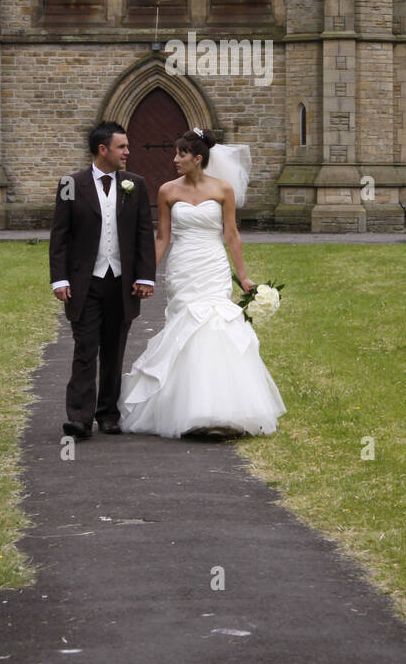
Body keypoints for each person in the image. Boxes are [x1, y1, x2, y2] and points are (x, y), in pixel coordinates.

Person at [119, 128, 286, 439]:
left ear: (198, 159)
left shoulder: (223, 190)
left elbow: (231, 235)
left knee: (216, 325)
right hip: (183, 266)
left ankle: (223, 409)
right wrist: (145, 274)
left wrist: (244, 276)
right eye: (176, 153)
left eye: (182, 154)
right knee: (186, 326)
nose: (175, 159)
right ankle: (187, 409)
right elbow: (163, 238)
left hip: (213, 265)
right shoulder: (167, 191)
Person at [49, 121, 156, 440]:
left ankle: (108, 413)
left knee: (114, 350)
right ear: (102, 150)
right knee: (85, 348)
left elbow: (143, 234)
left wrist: (145, 276)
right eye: (121, 147)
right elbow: (60, 236)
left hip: (122, 283)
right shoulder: (71, 184)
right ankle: (79, 418)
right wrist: (59, 280)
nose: (127, 152)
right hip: (85, 283)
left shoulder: (135, 185)